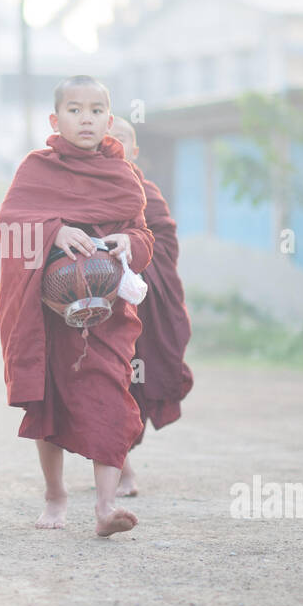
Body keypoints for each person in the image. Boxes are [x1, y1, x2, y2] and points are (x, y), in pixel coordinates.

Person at [0, 76, 154, 537]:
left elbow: (144, 236)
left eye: (96, 111)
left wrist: (127, 240)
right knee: (52, 404)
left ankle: (105, 508)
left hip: (106, 313)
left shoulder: (122, 174)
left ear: (109, 119)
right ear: (55, 118)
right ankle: (55, 493)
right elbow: (10, 224)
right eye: (74, 110)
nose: (85, 119)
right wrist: (54, 231)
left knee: (111, 398)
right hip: (49, 316)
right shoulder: (35, 169)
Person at [108, 117, 194, 497]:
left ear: (135, 150)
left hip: (143, 304)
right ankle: (120, 470)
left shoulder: (146, 191)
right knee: (103, 383)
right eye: (108, 139)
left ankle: (117, 462)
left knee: (134, 383)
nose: (114, 144)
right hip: (98, 304)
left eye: (122, 139)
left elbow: (166, 240)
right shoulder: (86, 188)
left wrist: (134, 257)